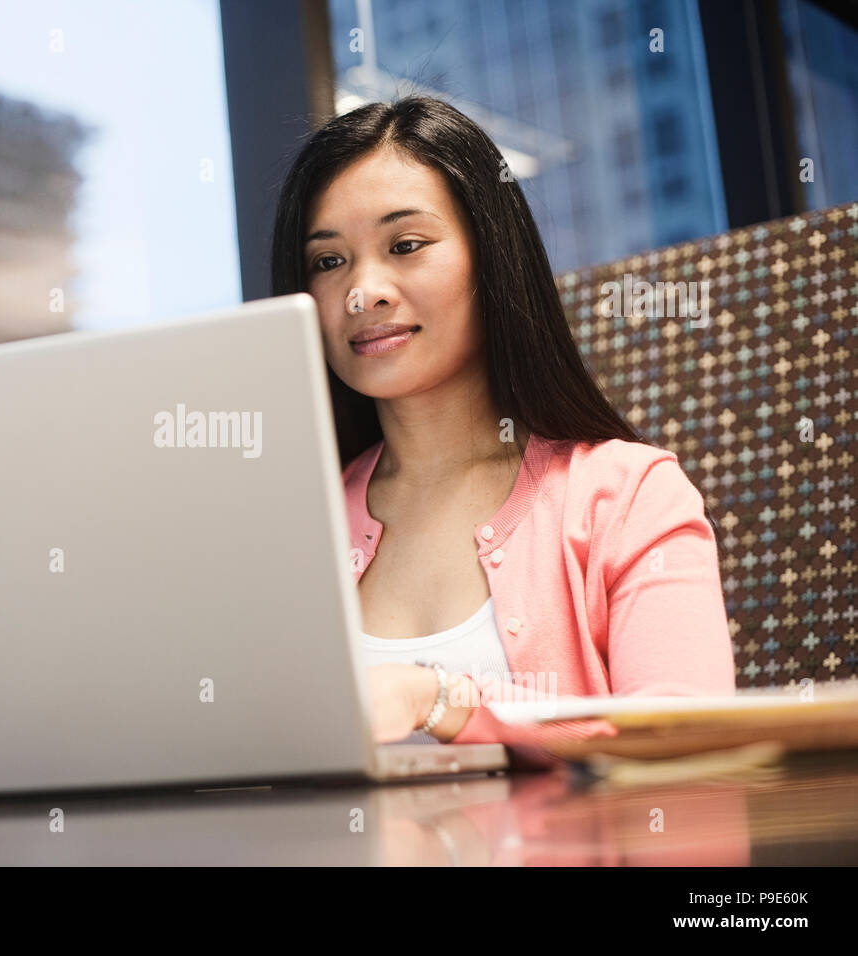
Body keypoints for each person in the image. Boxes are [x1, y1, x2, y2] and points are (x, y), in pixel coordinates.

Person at [269, 96, 736, 760]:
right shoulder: (296, 529)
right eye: (328, 261)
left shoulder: (628, 496)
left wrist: (435, 700)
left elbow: (687, 741)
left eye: (406, 246)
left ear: (491, 257)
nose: (361, 291)